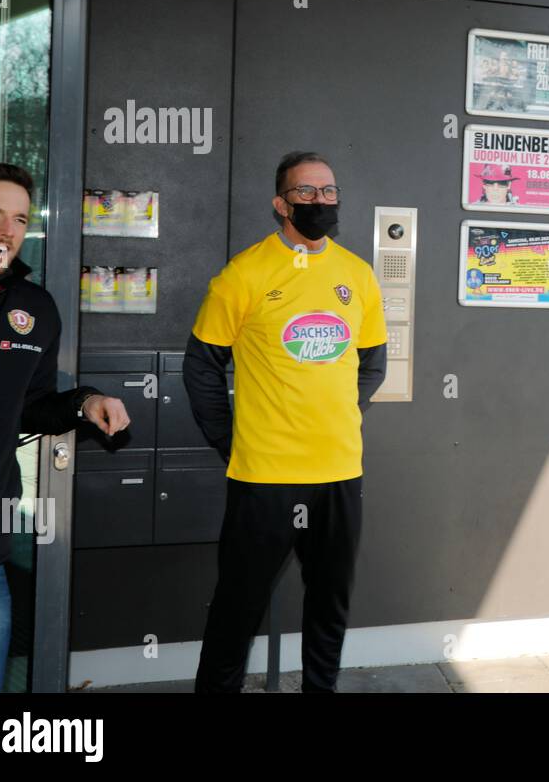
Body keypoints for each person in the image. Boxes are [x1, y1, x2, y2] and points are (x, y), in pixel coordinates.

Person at [185, 150, 387, 692]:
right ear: (281, 204)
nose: (319, 201)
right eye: (305, 192)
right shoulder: (243, 274)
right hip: (264, 477)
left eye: (328, 191)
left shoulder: (358, 275)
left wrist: (339, 412)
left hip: (340, 472)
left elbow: (373, 363)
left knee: (329, 609)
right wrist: (233, 441)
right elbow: (201, 366)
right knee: (236, 612)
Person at [0, 162, 129, 693]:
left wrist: (86, 403)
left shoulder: (36, 307)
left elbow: (32, 405)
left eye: (19, 219)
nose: (6, 231)